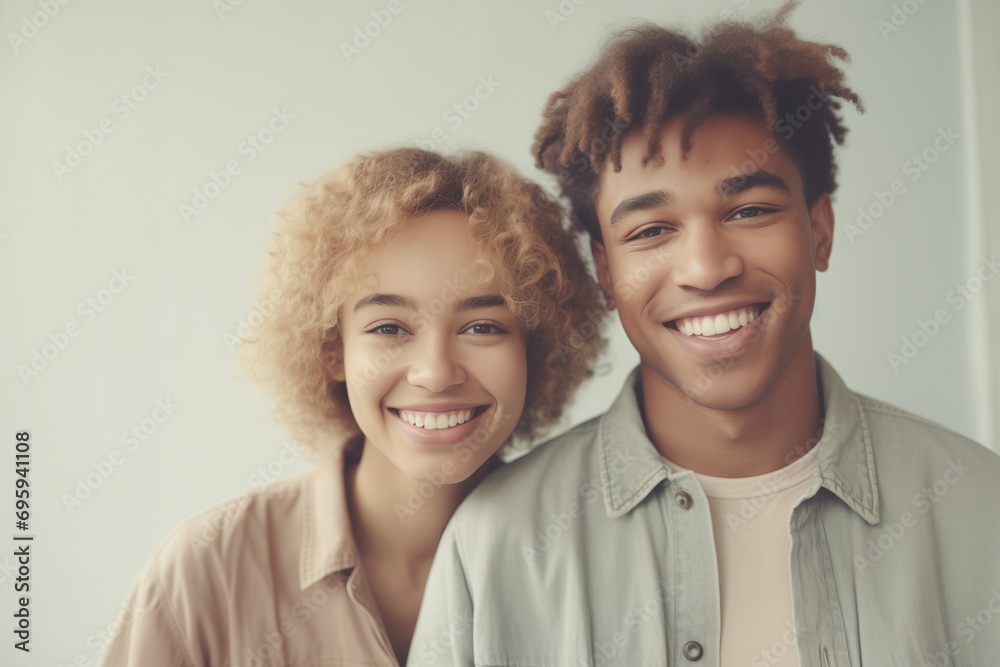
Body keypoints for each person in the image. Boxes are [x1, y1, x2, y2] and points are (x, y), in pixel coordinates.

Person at [408, 4, 1000, 666]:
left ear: (820, 230)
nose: (707, 268)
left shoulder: (980, 509)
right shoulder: (494, 547)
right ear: (606, 269)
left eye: (749, 210)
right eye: (651, 230)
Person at [97, 148, 604, 666]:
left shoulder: (596, 564)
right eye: (389, 328)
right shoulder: (204, 573)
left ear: (536, 347)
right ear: (333, 351)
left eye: (482, 327)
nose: (434, 372)